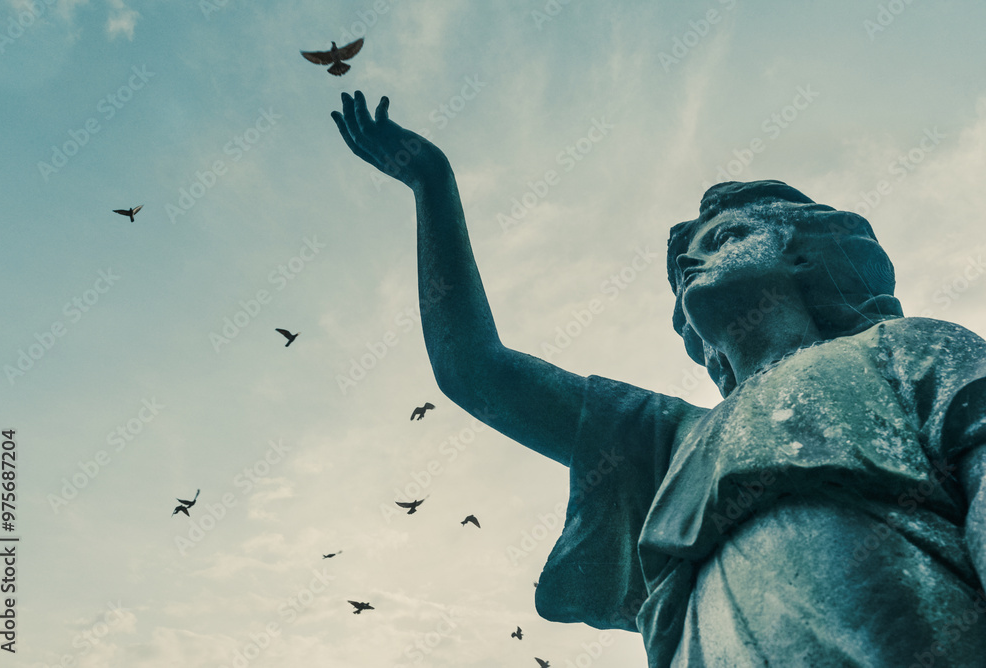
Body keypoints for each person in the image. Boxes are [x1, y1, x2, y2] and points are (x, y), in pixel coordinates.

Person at [332, 91, 986, 667]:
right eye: (684, 267)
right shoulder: (670, 442)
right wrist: (432, 184)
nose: (696, 260)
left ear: (802, 251)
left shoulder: (903, 350)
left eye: (725, 236)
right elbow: (475, 372)